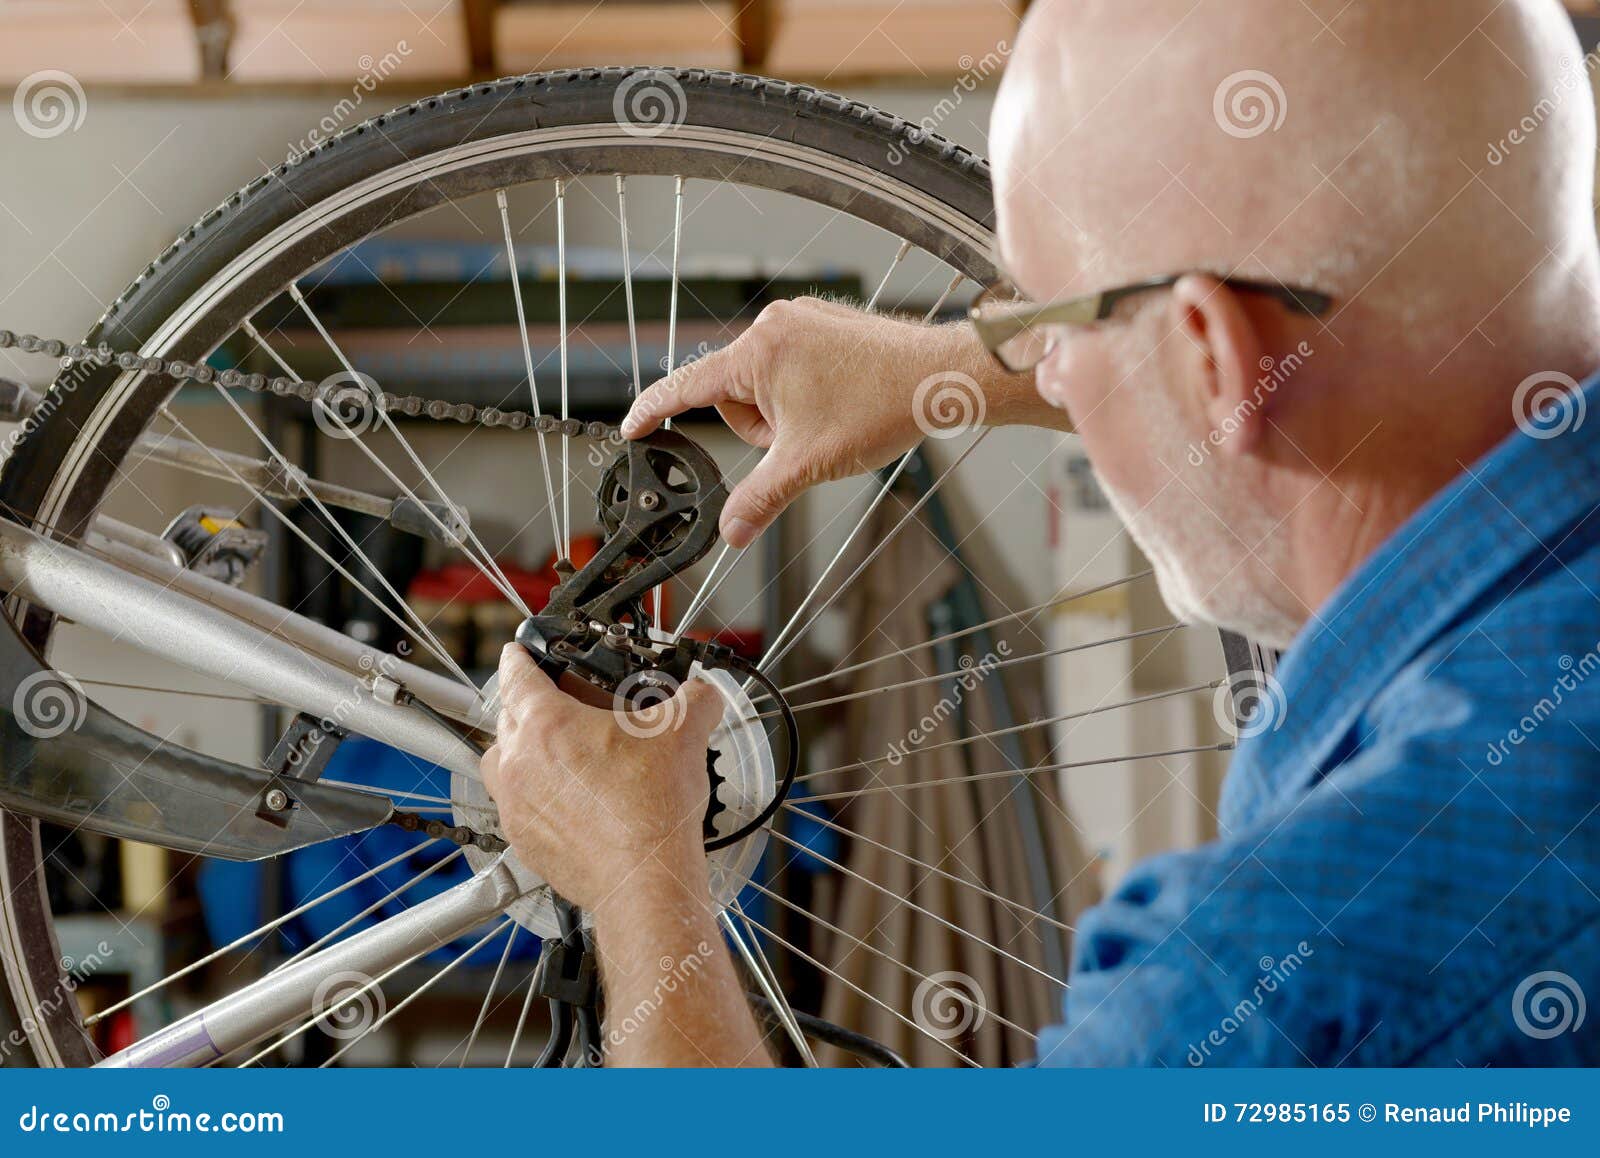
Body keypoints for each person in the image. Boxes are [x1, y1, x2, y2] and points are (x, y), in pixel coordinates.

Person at [481, 0, 1600, 1065]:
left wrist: (636, 871)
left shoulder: (1272, 984)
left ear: (1215, 358)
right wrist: (962, 370)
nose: (1033, 366)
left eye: (1053, 324)